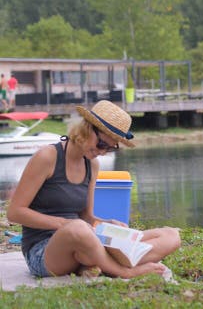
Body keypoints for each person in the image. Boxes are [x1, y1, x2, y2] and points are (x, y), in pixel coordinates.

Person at [7, 100, 181, 279]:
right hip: (43, 251)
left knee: (170, 235)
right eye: (101, 145)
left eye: (111, 149)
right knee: (79, 230)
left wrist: (108, 223)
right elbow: (15, 213)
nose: (103, 152)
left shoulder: (92, 165)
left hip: (86, 241)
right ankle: (124, 270)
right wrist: (64, 224)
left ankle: (99, 262)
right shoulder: (47, 157)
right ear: (87, 129)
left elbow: (87, 217)